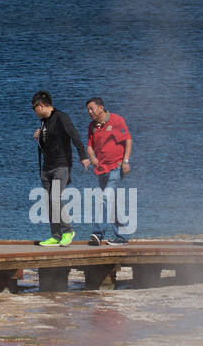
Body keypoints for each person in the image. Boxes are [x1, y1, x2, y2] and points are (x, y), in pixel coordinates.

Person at [32, 91, 88, 246]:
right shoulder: (44, 121)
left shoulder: (61, 117)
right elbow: (46, 146)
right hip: (46, 168)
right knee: (50, 202)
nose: (34, 112)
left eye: (34, 108)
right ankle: (56, 236)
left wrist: (83, 155)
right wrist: (39, 138)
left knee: (55, 199)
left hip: (61, 166)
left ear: (41, 106)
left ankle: (68, 231)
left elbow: (75, 135)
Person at [83, 96, 133, 245]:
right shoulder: (92, 126)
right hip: (101, 169)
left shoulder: (116, 120)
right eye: (88, 110)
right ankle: (122, 237)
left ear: (101, 108)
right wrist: (92, 158)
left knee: (106, 198)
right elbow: (90, 146)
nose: (90, 112)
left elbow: (128, 140)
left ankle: (98, 233)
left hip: (116, 167)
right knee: (113, 203)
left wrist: (125, 161)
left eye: (92, 108)